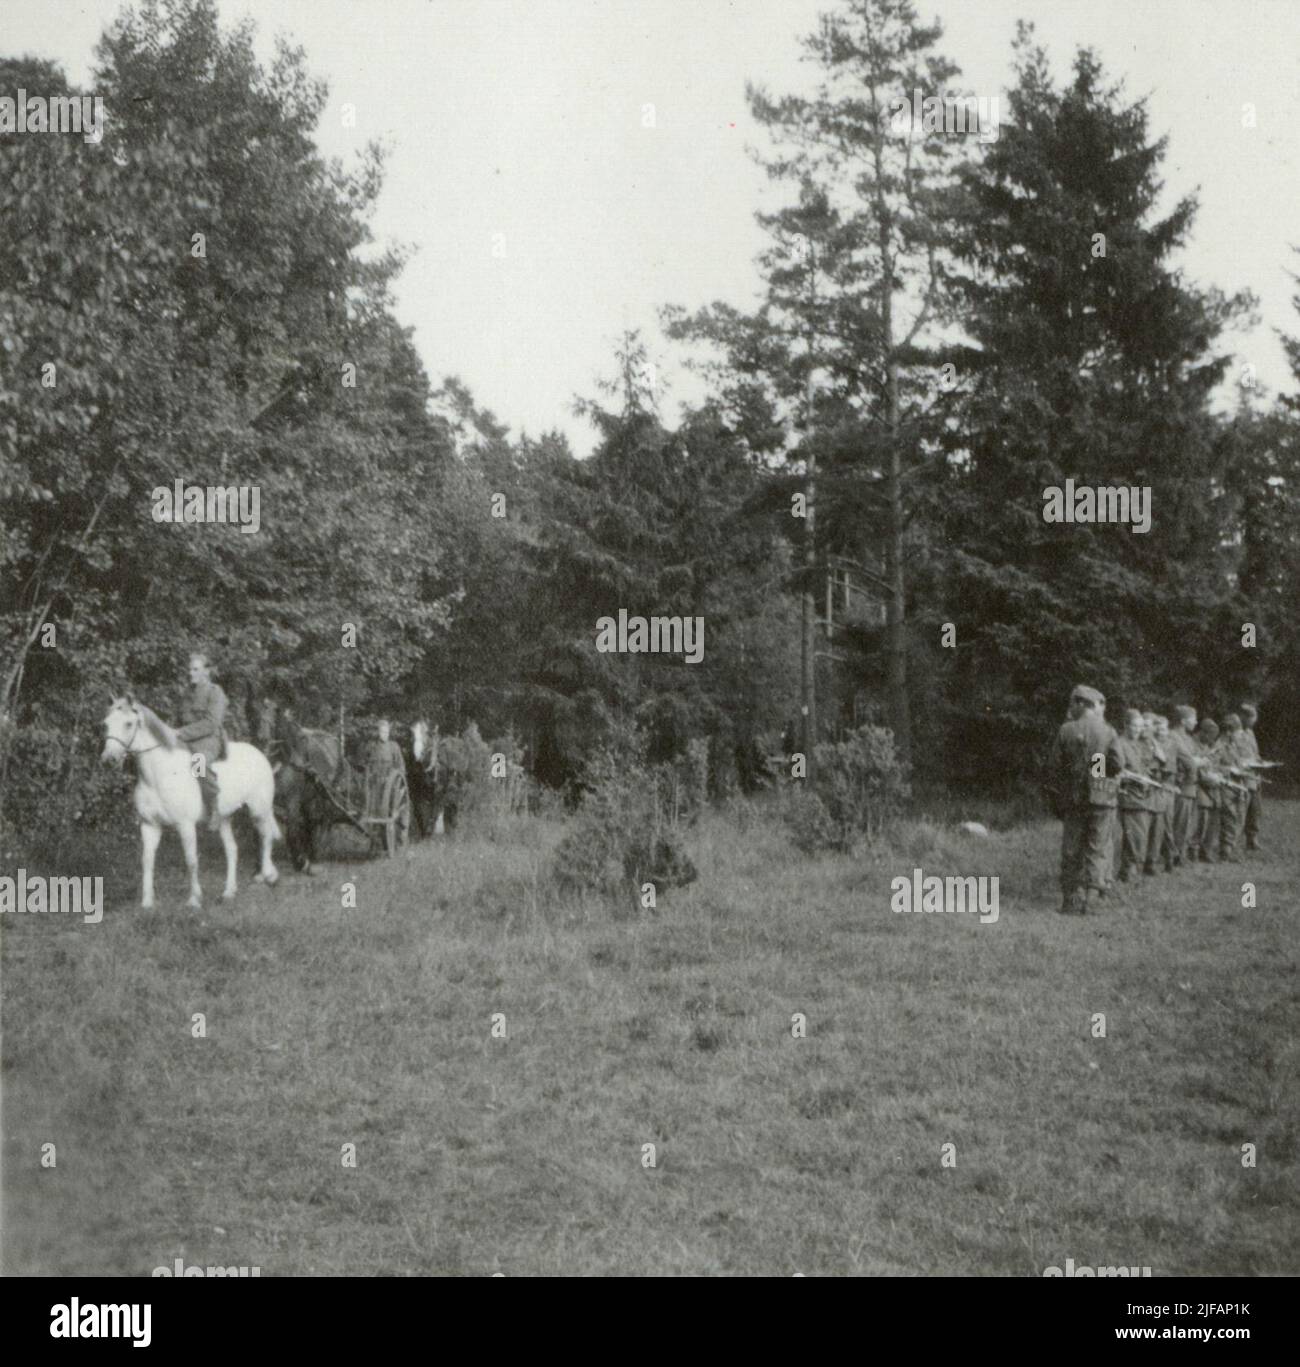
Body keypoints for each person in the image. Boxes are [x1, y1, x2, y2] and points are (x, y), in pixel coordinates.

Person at [1049, 684, 1118, 914]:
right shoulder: (1107, 731)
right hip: (1101, 799)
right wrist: (1097, 770)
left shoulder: (1066, 730)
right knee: (1096, 848)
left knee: (1071, 849)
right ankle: (1092, 900)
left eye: (1072, 704)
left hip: (1074, 799)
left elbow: (1055, 766)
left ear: (1080, 704)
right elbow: (1117, 764)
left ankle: (1069, 900)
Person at [177, 651, 228, 830]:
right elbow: (179, 720)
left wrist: (181, 733)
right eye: (189, 670)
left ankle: (214, 807)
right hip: (185, 741)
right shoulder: (186, 694)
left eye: (196, 669)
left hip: (208, 741)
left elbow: (211, 723)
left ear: (207, 671)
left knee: (198, 763)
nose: (191, 673)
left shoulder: (215, 693)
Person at [1109, 709, 1153, 883]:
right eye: (1134, 726)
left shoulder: (1140, 744)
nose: (1137, 730)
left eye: (1140, 727)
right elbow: (1116, 770)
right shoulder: (1119, 743)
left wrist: (1147, 775)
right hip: (1129, 797)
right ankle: (1128, 875)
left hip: (1141, 796)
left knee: (1137, 838)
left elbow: (1144, 765)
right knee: (1135, 838)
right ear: (1126, 725)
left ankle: (1127, 874)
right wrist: (1136, 778)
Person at [1142, 712, 1176, 874]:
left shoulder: (1168, 745)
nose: (1158, 732)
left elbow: (1169, 768)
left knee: (1162, 827)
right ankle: (1146, 861)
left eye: (1161, 729)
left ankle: (1162, 859)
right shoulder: (1144, 743)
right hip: (1145, 790)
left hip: (1161, 790)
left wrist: (1161, 760)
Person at [1166, 705, 1200, 866]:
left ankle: (1180, 853)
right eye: (1193, 719)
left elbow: (1193, 758)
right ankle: (1174, 855)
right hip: (1181, 784)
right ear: (1183, 721)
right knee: (1179, 821)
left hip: (1190, 784)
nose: (1196, 722)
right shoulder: (1174, 737)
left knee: (1186, 822)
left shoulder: (1187, 738)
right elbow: (1188, 760)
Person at [1217, 714, 1251, 862]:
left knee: (1240, 818)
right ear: (1229, 732)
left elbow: (1244, 759)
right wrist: (1230, 770)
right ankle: (1226, 850)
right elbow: (1212, 765)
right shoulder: (1219, 745)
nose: (1240, 735)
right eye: (1237, 732)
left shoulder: (1238, 744)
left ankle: (1232, 847)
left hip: (1240, 785)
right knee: (1230, 818)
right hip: (1226, 785)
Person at [1193, 718, 1225, 863]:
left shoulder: (1209, 746)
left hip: (1213, 786)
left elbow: (1216, 764)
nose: (1212, 739)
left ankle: (1206, 850)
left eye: (1214, 737)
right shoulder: (1193, 745)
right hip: (1200, 786)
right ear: (1202, 732)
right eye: (1210, 735)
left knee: (1214, 817)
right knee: (1201, 819)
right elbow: (1196, 768)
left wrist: (1219, 774)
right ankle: (1194, 849)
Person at [364, 719, 405, 810]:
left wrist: (398, 782)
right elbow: (365, 762)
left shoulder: (393, 746)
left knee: (386, 809)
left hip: (389, 784)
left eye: (387, 732)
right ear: (378, 732)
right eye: (383, 732)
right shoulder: (371, 746)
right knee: (372, 808)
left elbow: (401, 765)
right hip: (374, 783)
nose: (385, 734)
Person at [1240, 703, 1263, 852]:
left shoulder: (1250, 733)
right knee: (1242, 809)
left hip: (1255, 776)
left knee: (1255, 809)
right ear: (1244, 717)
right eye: (1251, 717)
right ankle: (1232, 842)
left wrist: (1260, 761)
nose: (1254, 720)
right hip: (1244, 776)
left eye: (1255, 717)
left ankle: (1252, 838)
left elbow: (1254, 753)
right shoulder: (1237, 733)